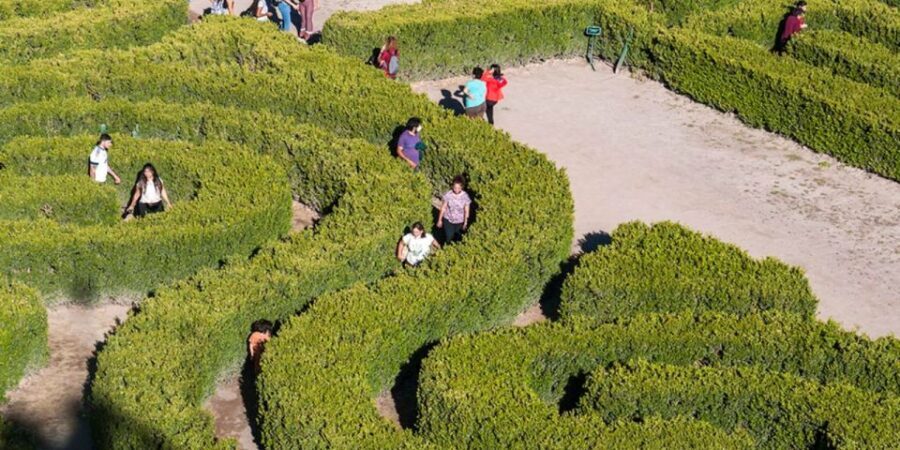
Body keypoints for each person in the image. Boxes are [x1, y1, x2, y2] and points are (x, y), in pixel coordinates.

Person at [437, 175, 472, 243]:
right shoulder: (448, 194)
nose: (456, 189)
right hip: (448, 219)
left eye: (459, 187)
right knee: (449, 237)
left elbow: (466, 211)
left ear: (462, 187)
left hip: (460, 221)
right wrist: (439, 220)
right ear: (452, 186)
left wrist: (465, 223)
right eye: (455, 187)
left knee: (458, 239)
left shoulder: (465, 196)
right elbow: (443, 208)